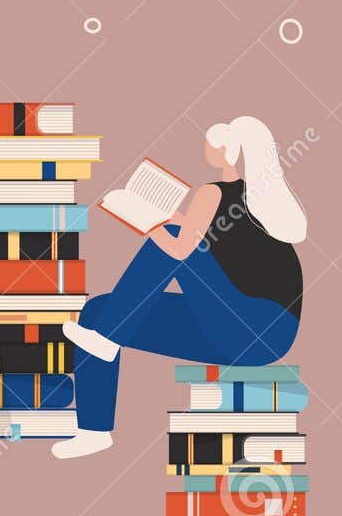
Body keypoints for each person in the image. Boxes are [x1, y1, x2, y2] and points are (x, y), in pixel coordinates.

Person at [55, 115, 306, 459]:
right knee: (98, 311)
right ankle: (93, 431)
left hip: (247, 325)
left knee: (168, 242)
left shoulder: (212, 192)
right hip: (265, 337)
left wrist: (148, 223)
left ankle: (106, 339)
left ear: (222, 150)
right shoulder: (260, 200)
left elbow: (179, 249)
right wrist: (170, 221)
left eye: (208, 142)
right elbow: (202, 242)